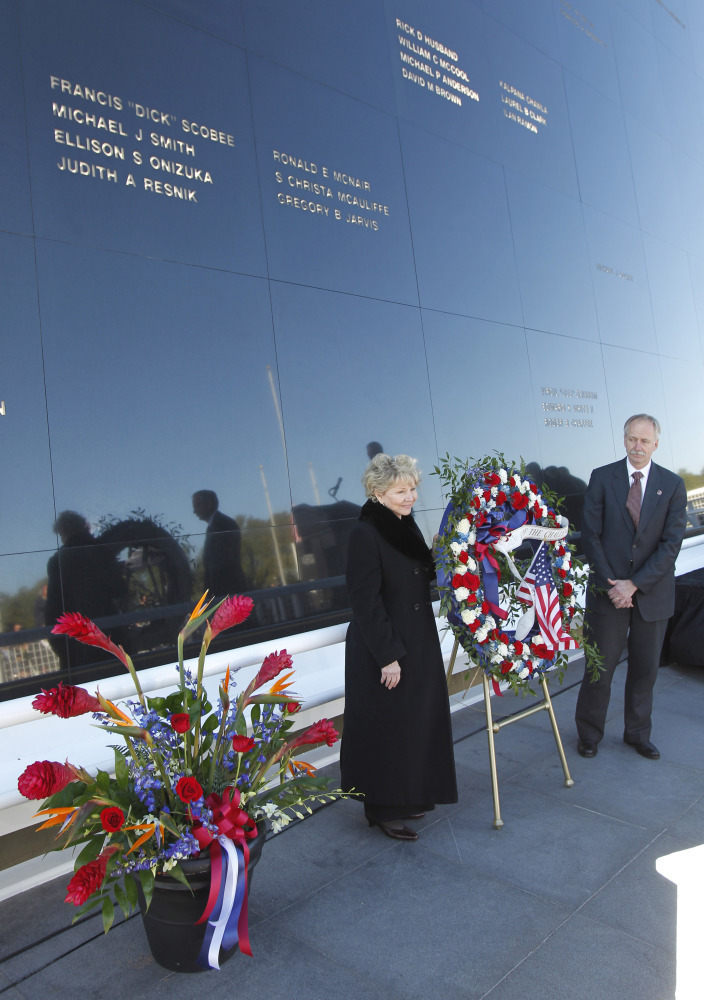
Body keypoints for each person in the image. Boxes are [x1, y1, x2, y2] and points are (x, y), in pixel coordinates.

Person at [341, 453, 458, 841]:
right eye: (400, 491)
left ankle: (409, 796)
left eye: (412, 489)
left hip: (417, 639)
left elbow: (418, 574)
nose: (410, 497)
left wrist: (443, 552)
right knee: (388, 727)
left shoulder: (402, 524)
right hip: (385, 646)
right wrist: (388, 655)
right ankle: (382, 808)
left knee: (415, 723)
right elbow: (365, 602)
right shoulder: (365, 533)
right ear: (378, 493)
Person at [575, 414, 687, 760]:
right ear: (623, 440)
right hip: (607, 593)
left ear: (656, 443)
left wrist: (634, 585)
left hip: (651, 595)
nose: (637, 447)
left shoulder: (672, 485)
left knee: (645, 670)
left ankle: (637, 733)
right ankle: (589, 734)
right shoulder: (602, 477)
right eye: (631, 439)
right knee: (599, 670)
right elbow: (590, 535)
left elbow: (671, 544)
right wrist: (614, 583)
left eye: (644, 441)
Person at [192, 490, 246, 597]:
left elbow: (219, 564)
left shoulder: (222, 525)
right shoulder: (219, 525)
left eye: (197, 505)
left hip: (227, 592)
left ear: (209, 504)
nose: (194, 511)